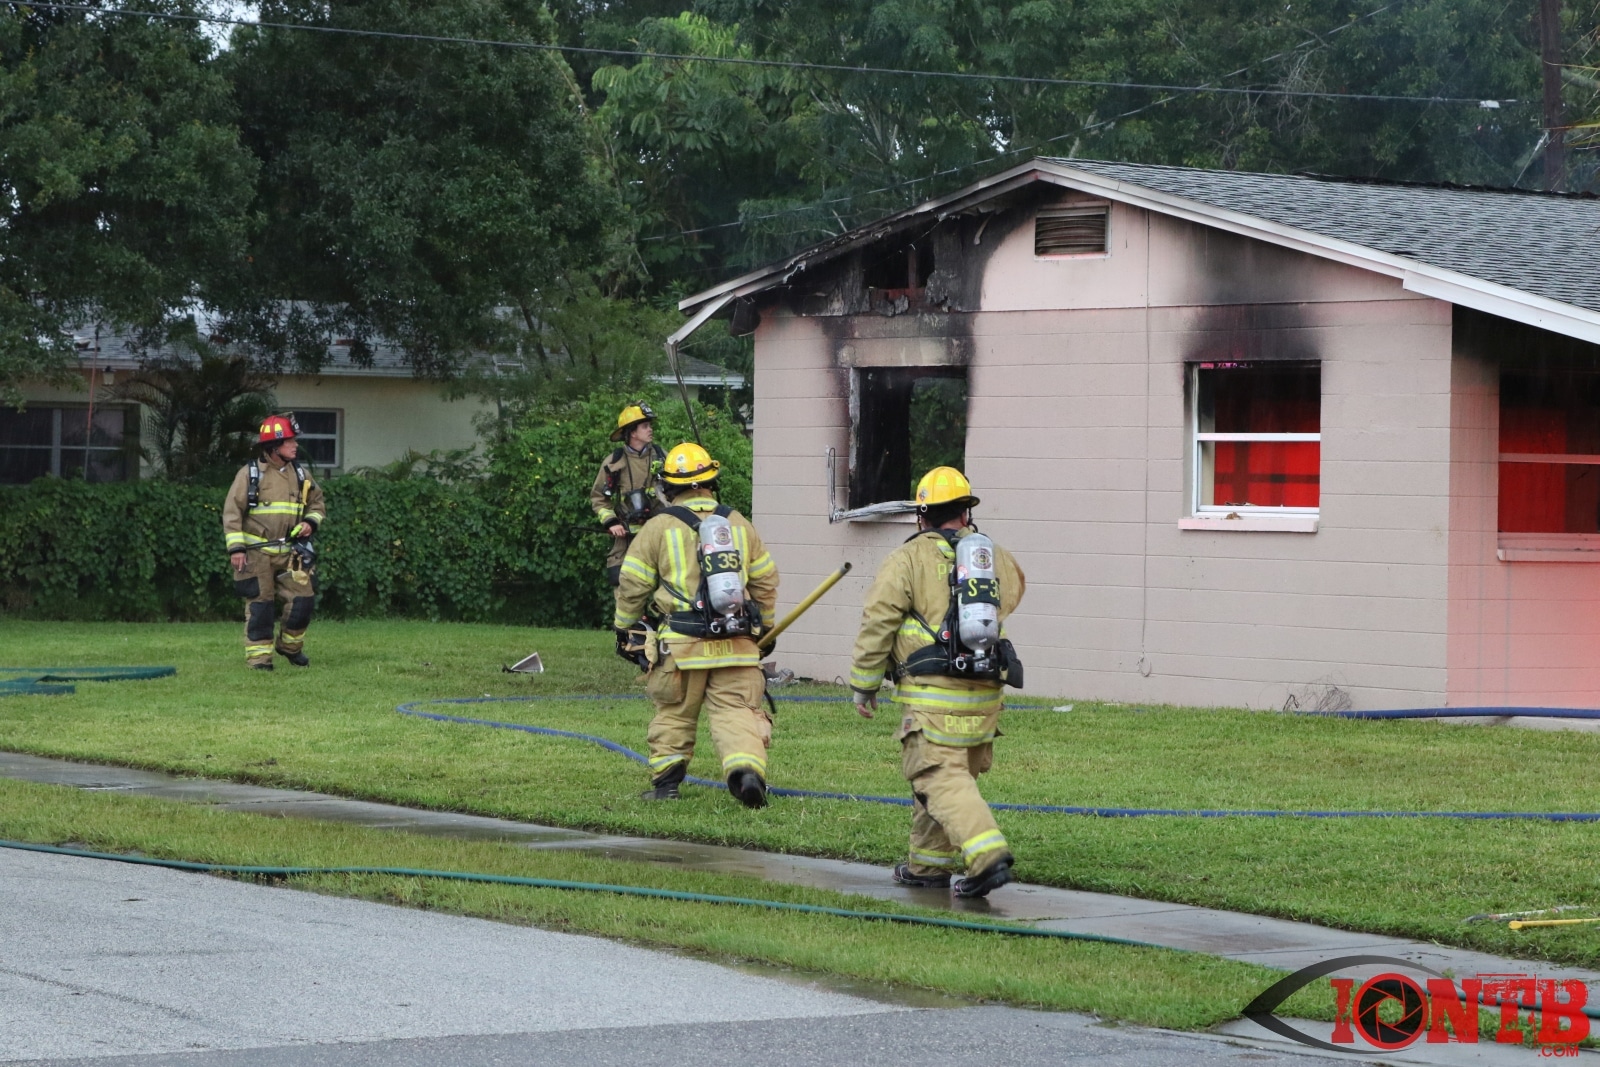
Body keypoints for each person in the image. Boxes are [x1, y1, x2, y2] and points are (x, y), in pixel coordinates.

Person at [848, 466, 1026, 898]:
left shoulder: (907, 558)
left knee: (936, 776)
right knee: (944, 776)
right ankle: (927, 867)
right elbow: (1016, 589)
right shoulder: (992, 556)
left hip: (932, 692)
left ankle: (988, 856)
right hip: (984, 690)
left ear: (920, 516)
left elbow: (879, 621)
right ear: (966, 513)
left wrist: (864, 683)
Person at [614, 442, 779, 807]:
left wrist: (625, 627)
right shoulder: (739, 523)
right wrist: (765, 630)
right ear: (710, 482)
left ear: (668, 487)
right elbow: (766, 581)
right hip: (737, 642)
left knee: (675, 713)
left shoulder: (659, 527)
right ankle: (746, 774)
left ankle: (666, 786)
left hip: (683, 646)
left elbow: (633, 583)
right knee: (738, 712)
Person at [221, 415, 326, 671]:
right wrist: (236, 548)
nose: (295, 445)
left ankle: (290, 648)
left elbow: (317, 504)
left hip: (291, 552)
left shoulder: (301, 474)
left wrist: (310, 523)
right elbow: (232, 512)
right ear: (274, 447)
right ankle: (259, 660)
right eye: (289, 441)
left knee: (303, 600)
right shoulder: (249, 475)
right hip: (256, 554)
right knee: (261, 606)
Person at [591, 402, 666, 586]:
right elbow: (598, 498)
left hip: (658, 537)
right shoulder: (614, 462)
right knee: (624, 588)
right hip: (625, 540)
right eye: (645, 426)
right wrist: (612, 522)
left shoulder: (662, 457)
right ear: (633, 432)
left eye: (650, 425)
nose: (650, 429)